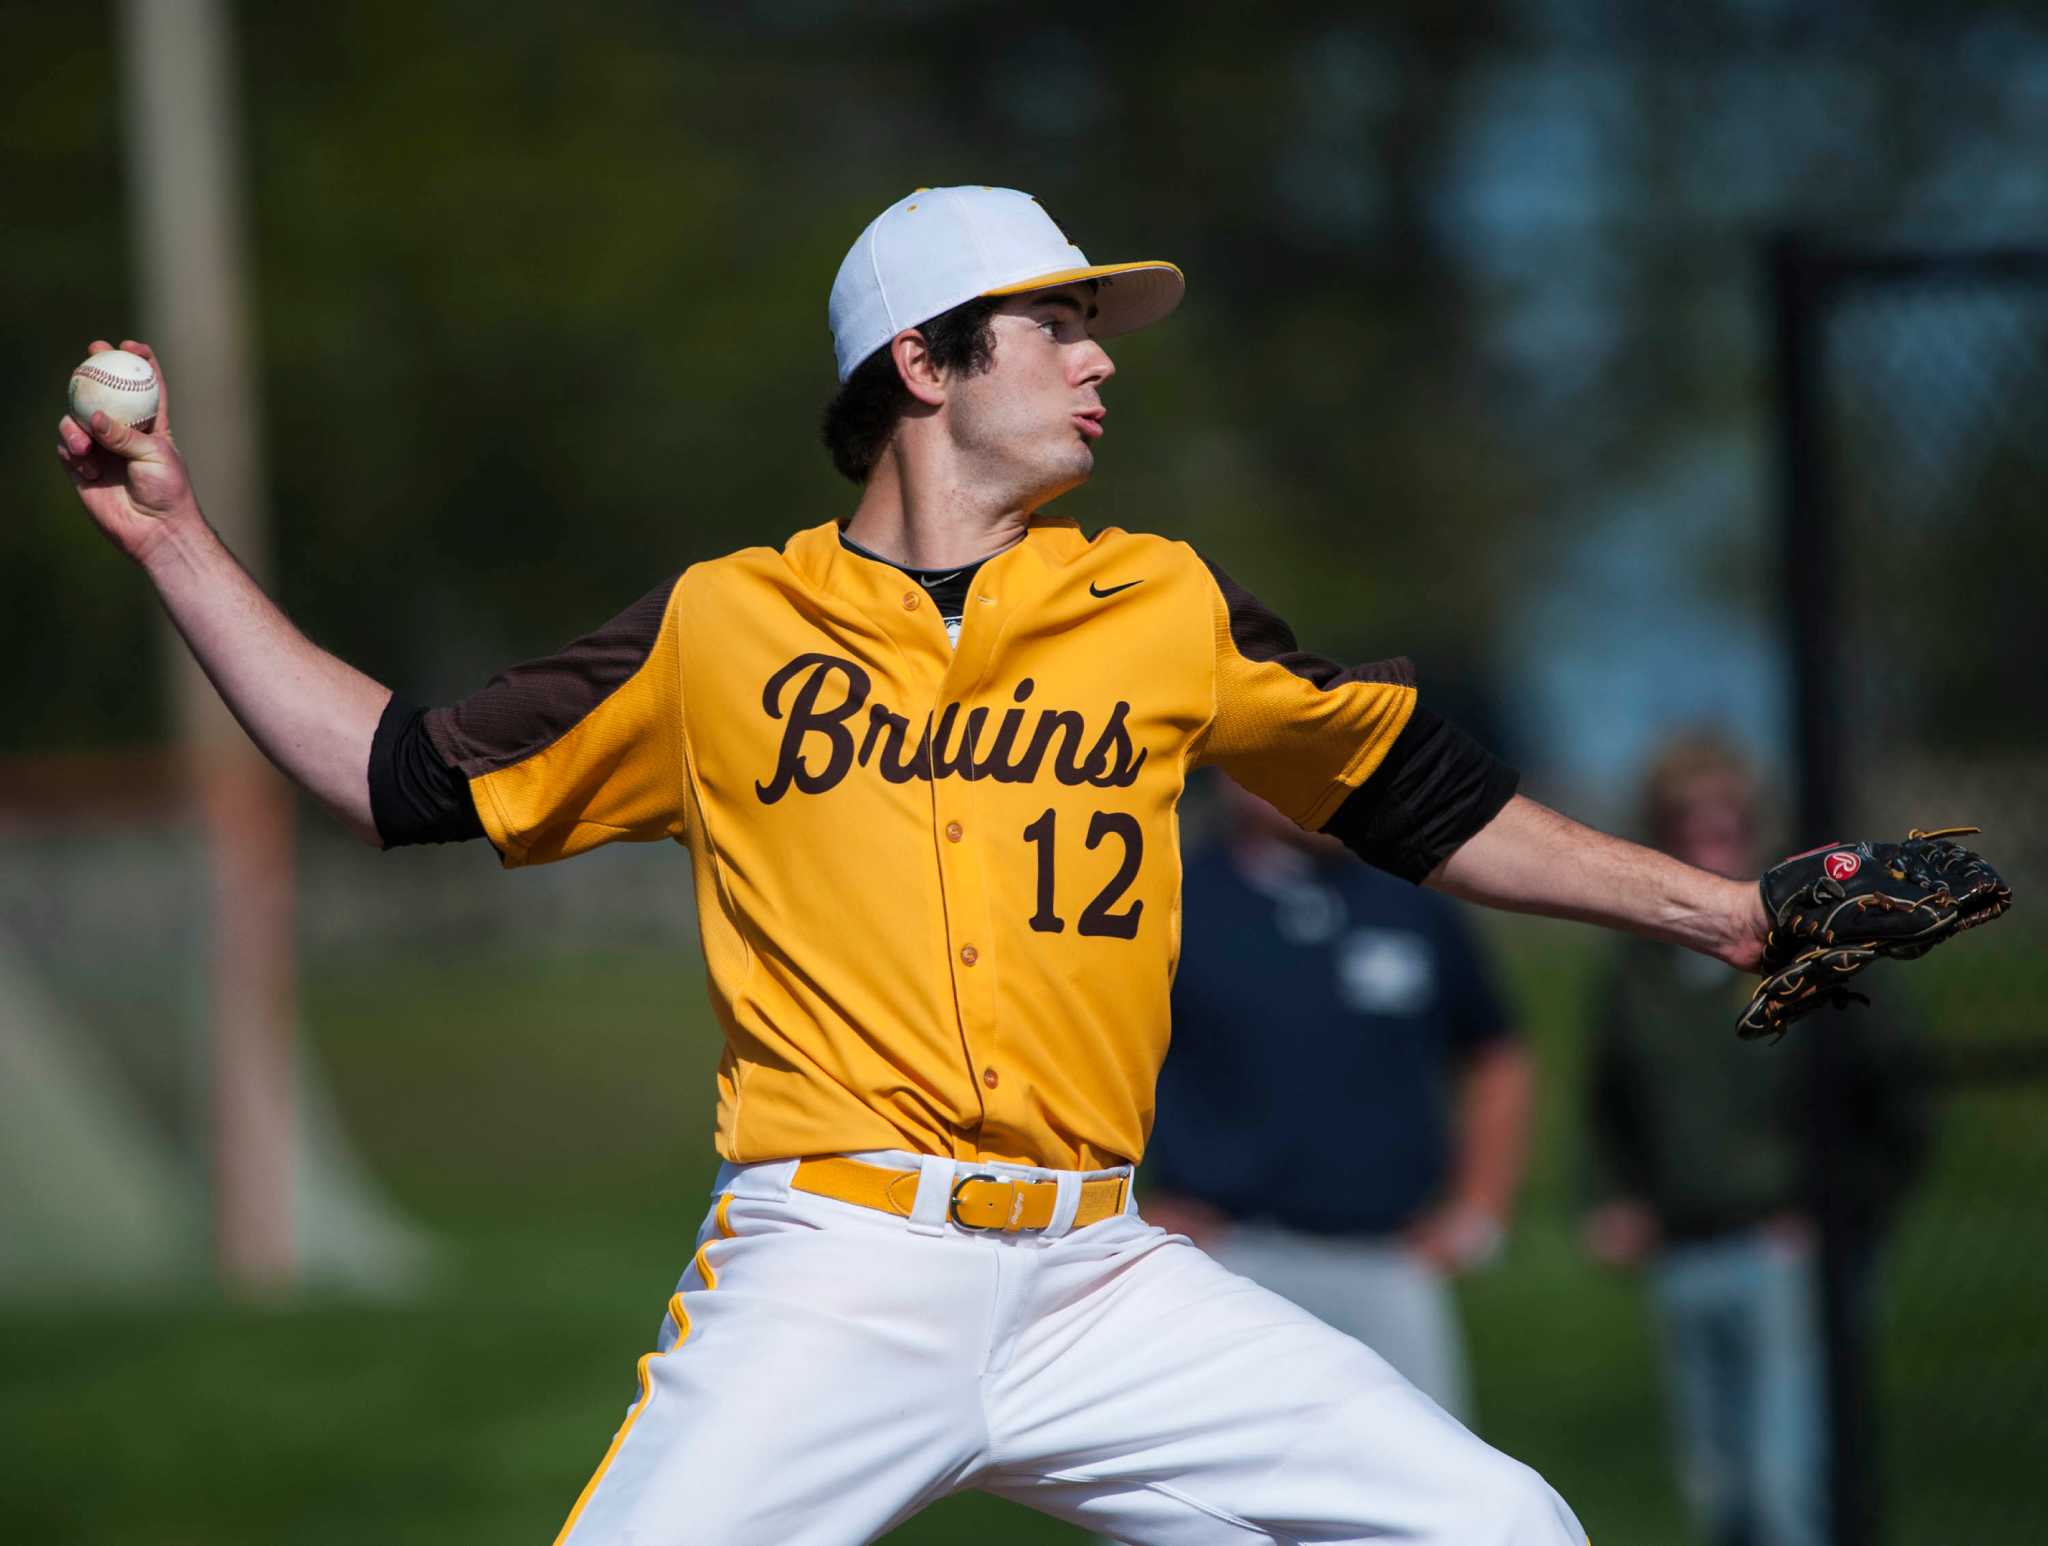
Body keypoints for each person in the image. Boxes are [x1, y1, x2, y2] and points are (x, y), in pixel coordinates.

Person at [58, 183, 1793, 1546]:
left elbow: (1418, 795)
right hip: (838, 1264)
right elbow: (393, 776)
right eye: (1057, 328)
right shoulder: (722, 627)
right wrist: (174, 537)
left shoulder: (1160, 602)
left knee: (1499, 1522)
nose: (1100, 363)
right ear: (923, 361)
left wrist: (1726, 910)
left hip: (1104, 1275)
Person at [1581, 732, 1931, 1546]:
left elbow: (1896, 1100)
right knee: (1722, 1494)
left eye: (1728, 818)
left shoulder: (1823, 949)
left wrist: (1841, 1210)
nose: (1710, 835)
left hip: (1787, 1248)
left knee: (1786, 1490)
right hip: (1684, 1248)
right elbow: (1610, 1097)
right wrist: (1617, 1194)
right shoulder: (1640, 966)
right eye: (1686, 819)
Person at [1145, 776, 1532, 1421]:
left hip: (1389, 1259)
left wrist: (1478, 1212)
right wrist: (1128, 1209)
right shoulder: (1173, 898)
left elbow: (1495, 1052)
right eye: (1285, 760)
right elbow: (1094, 1052)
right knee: (1211, 1476)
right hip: (1223, 1260)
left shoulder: (1409, 898)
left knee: (1417, 1470)